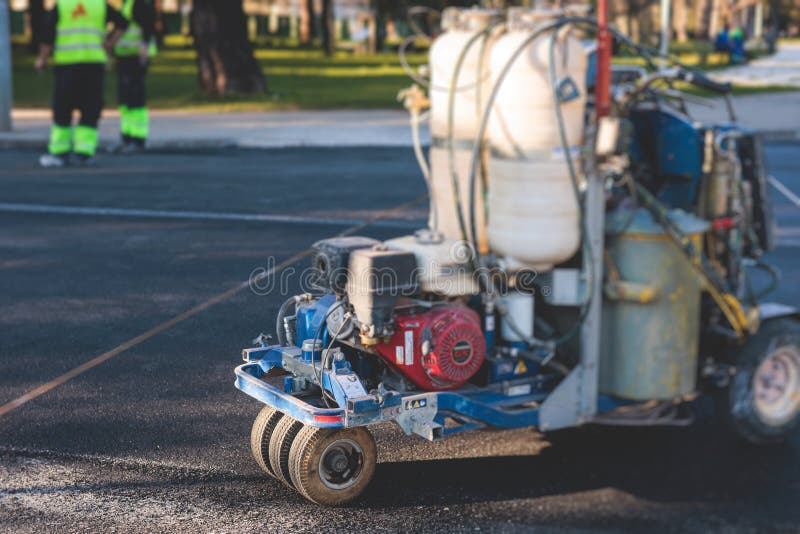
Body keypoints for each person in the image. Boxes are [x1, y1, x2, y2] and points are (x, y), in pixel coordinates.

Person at [35, 0, 128, 167]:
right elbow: (123, 23)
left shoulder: (63, 5)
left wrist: (42, 59)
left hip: (67, 64)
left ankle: (59, 153)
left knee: (63, 108)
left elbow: (47, 35)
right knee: (91, 107)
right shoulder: (99, 4)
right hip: (94, 64)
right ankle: (84, 152)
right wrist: (109, 44)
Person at [112, 0, 157, 153]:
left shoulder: (138, 3)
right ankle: (127, 137)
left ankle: (138, 139)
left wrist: (144, 48)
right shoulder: (127, 4)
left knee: (135, 98)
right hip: (125, 56)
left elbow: (148, 25)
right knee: (125, 100)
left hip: (135, 57)